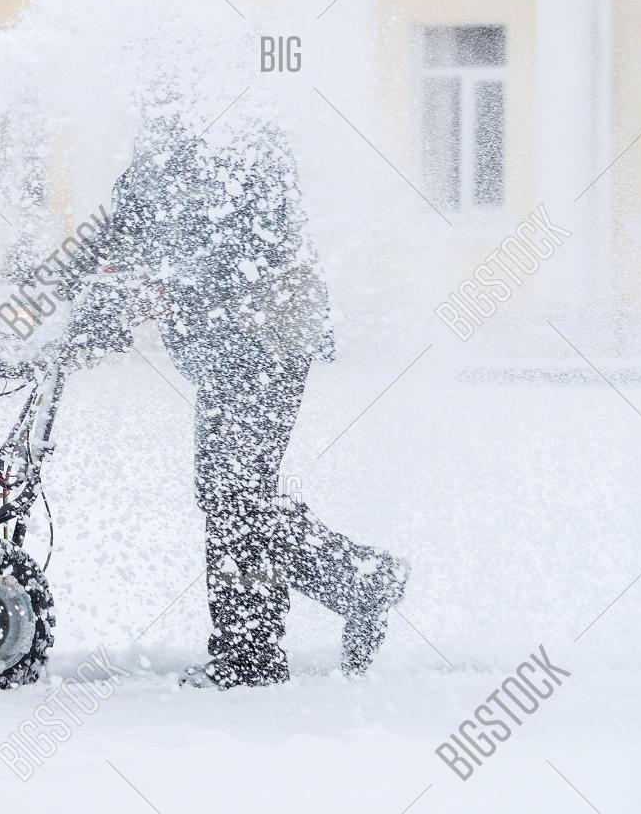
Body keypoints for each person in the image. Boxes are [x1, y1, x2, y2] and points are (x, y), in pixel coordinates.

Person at [53, 104, 410, 687]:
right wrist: (57, 299)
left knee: (233, 496)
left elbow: (235, 243)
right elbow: (121, 230)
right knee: (235, 496)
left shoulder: (245, 136)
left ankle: (260, 651)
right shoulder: (162, 149)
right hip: (226, 353)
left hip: (265, 341)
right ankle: (353, 585)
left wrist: (150, 283)